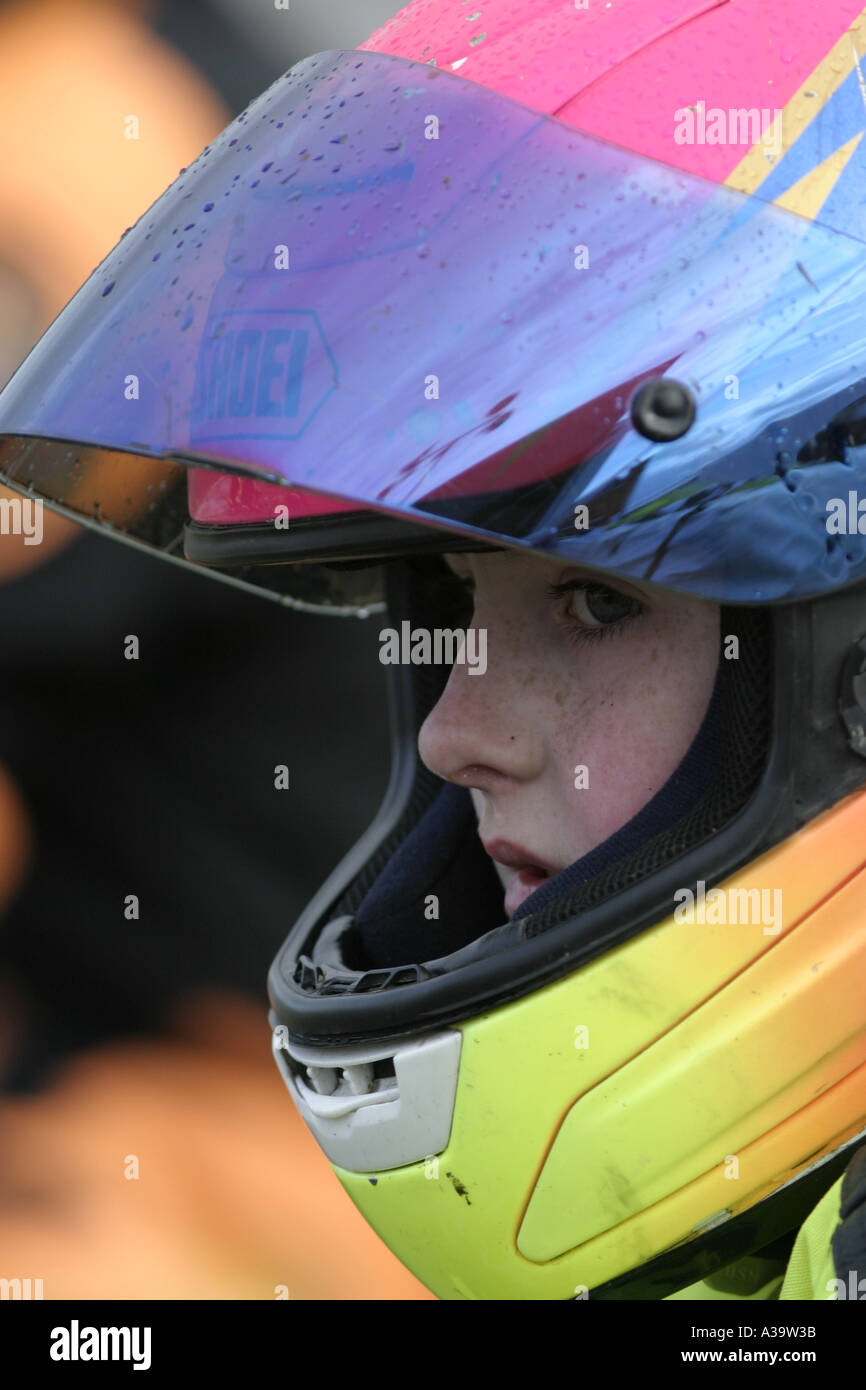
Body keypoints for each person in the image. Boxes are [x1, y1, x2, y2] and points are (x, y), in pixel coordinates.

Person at [1, 0, 865, 1302]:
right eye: (461, 603)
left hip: (194, 1113)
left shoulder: (74, 113)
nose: (456, 730)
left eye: (594, 602)